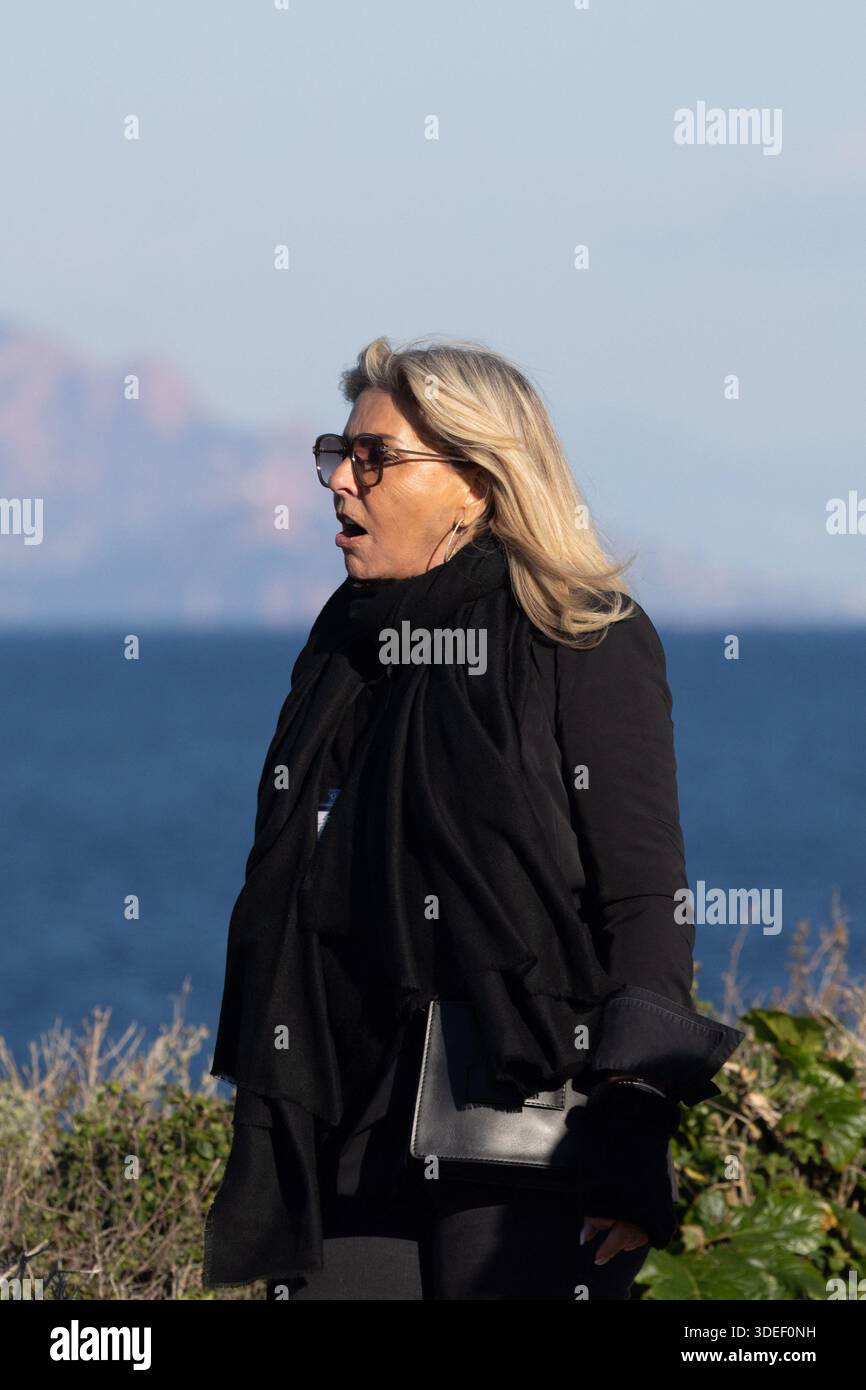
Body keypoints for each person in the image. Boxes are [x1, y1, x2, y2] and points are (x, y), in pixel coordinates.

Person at [202, 334, 745, 1301]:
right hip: (350, 1126)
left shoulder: (580, 635)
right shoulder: (346, 650)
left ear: (478, 483)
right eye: (339, 452)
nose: (340, 483)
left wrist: (632, 1125)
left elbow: (643, 897)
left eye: (376, 459)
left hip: (529, 1137)